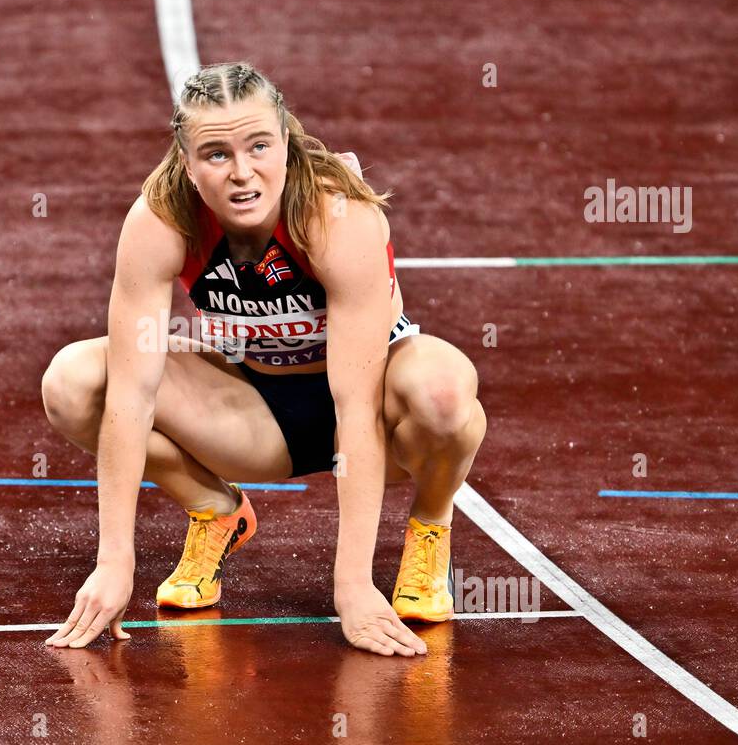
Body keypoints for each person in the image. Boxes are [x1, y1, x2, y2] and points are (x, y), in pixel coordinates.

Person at [40, 62, 486, 656]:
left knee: (445, 392)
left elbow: (353, 404)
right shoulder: (158, 221)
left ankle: (431, 525)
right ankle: (215, 511)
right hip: (252, 405)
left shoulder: (337, 217)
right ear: (187, 161)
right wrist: (114, 562)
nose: (243, 173)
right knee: (74, 383)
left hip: (375, 408)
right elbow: (131, 392)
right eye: (217, 154)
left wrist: (352, 587)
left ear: (286, 140)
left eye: (259, 146)